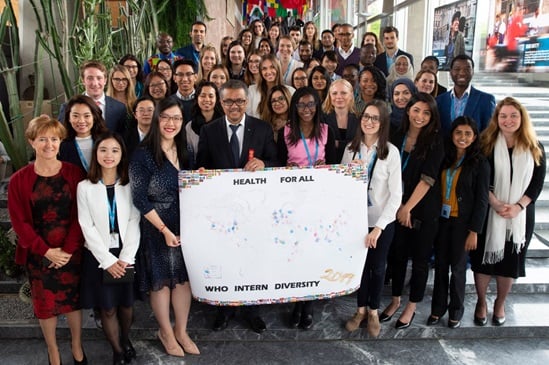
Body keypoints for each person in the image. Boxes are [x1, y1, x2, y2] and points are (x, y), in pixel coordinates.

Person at [195, 79, 278, 333]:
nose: (234, 106)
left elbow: (276, 161)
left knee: (252, 258)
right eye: (229, 101)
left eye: (240, 101)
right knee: (226, 259)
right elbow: (202, 165)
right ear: (221, 102)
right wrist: (201, 173)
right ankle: (225, 309)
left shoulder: (262, 129)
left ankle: (251, 310)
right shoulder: (209, 131)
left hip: (255, 210)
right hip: (223, 212)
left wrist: (264, 163)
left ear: (247, 101)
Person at [8, 116, 86, 365]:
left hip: (70, 251)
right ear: (32, 142)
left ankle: (76, 347)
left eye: (54, 139)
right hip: (38, 254)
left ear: (60, 141)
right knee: (45, 305)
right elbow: (20, 223)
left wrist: (67, 250)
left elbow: (80, 214)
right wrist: (46, 252)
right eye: (42, 139)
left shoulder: (74, 173)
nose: (49, 144)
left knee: (73, 302)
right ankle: (53, 351)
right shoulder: (18, 180)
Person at [129, 97, 199, 357]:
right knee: (162, 282)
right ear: (157, 119)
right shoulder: (142, 155)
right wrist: (165, 231)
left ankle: (181, 330)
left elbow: (189, 185)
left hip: (184, 224)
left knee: (182, 280)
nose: (171, 123)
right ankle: (166, 333)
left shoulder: (185, 150)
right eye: (166, 117)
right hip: (157, 226)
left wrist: (198, 177)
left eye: (177, 118)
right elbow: (139, 198)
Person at [471, 97, 545, 326]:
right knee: (483, 260)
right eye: (503, 115)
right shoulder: (486, 143)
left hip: (520, 214)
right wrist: (493, 202)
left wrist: (518, 206)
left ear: (521, 118)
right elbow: (479, 179)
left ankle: (500, 303)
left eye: (513, 115)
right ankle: (481, 302)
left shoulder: (534, 146)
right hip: (488, 210)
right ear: (497, 118)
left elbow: (537, 183)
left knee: (510, 263)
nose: (508, 120)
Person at [381, 93, 445, 330]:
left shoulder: (437, 140)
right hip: (395, 205)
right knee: (397, 256)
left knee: (419, 260)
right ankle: (396, 299)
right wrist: (397, 206)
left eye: (426, 112)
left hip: (423, 209)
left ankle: (412, 305)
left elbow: (428, 179)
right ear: (408, 110)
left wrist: (407, 208)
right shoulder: (396, 135)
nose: (420, 116)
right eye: (416, 110)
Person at [77, 132, 141, 364]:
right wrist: (108, 261)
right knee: (107, 308)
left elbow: (135, 220)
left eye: (115, 150)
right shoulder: (84, 187)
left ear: (122, 154)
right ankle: (117, 351)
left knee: (125, 305)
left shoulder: (129, 184)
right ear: (96, 154)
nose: (109, 155)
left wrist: (125, 258)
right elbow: (87, 225)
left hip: (125, 254)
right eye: (103, 150)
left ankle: (125, 340)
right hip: (99, 256)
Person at [277, 87, 337, 329]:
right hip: (293, 200)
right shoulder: (286, 131)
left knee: (314, 251)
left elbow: (334, 165)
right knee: (296, 252)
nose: (306, 109)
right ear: (294, 107)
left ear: (318, 106)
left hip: (318, 200)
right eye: (301, 105)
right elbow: (278, 166)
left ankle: (309, 305)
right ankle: (296, 301)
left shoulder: (326, 130)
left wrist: (325, 166)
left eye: (311, 104)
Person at [342, 100, 402, 337]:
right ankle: (360, 310)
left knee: (377, 268)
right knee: (360, 268)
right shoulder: (350, 149)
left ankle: (374, 311)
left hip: (381, 222)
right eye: (366, 116)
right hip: (356, 221)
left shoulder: (390, 152)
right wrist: (352, 174)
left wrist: (378, 228)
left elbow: (396, 196)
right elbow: (342, 188)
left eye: (375, 118)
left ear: (383, 123)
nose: (369, 121)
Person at [427, 116, 489, 330]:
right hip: (442, 222)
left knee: (458, 268)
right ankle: (437, 309)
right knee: (441, 267)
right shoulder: (445, 157)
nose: (462, 138)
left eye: (467, 134)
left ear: (474, 137)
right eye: (458, 133)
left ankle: (456, 310)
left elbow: (482, 201)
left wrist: (474, 231)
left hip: (463, 224)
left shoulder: (480, 162)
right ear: (452, 135)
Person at [59, 60, 126, 135]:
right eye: (90, 78)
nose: (95, 83)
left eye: (99, 78)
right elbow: (62, 136)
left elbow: (121, 138)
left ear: (105, 80)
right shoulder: (67, 108)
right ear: (83, 80)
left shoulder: (119, 108)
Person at [436, 55, 496, 135]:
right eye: (457, 69)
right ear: (450, 72)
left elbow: (488, 133)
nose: (462, 73)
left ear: (473, 71)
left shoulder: (486, 100)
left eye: (467, 69)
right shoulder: (440, 100)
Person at [59, 95, 109, 174]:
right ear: (69, 118)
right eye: (75, 116)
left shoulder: (107, 141)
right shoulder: (62, 145)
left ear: (94, 117)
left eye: (87, 116)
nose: (81, 121)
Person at [185, 81, 224, 167]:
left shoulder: (224, 123)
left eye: (211, 96)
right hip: (199, 172)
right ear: (197, 98)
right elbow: (190, 156)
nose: (207, 99)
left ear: (217, 99)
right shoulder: (189, 127)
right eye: (202, 96)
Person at [321, 79, 359, 161]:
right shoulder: (322, 119)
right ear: (330, 96)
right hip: (328, 165)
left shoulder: (359, 119)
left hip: (352, 165)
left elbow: (359, 145)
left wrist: (337, 143)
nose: (338, 97)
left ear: (351, 95)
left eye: (343, 93)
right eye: (334, 93)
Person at [247, 54, 295, 119]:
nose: (268, 72)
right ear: (260, 72)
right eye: (264, 68)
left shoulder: (291, 91)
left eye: (272, 67)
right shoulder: (251, 90)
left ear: (278, 68)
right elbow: (249, 117)